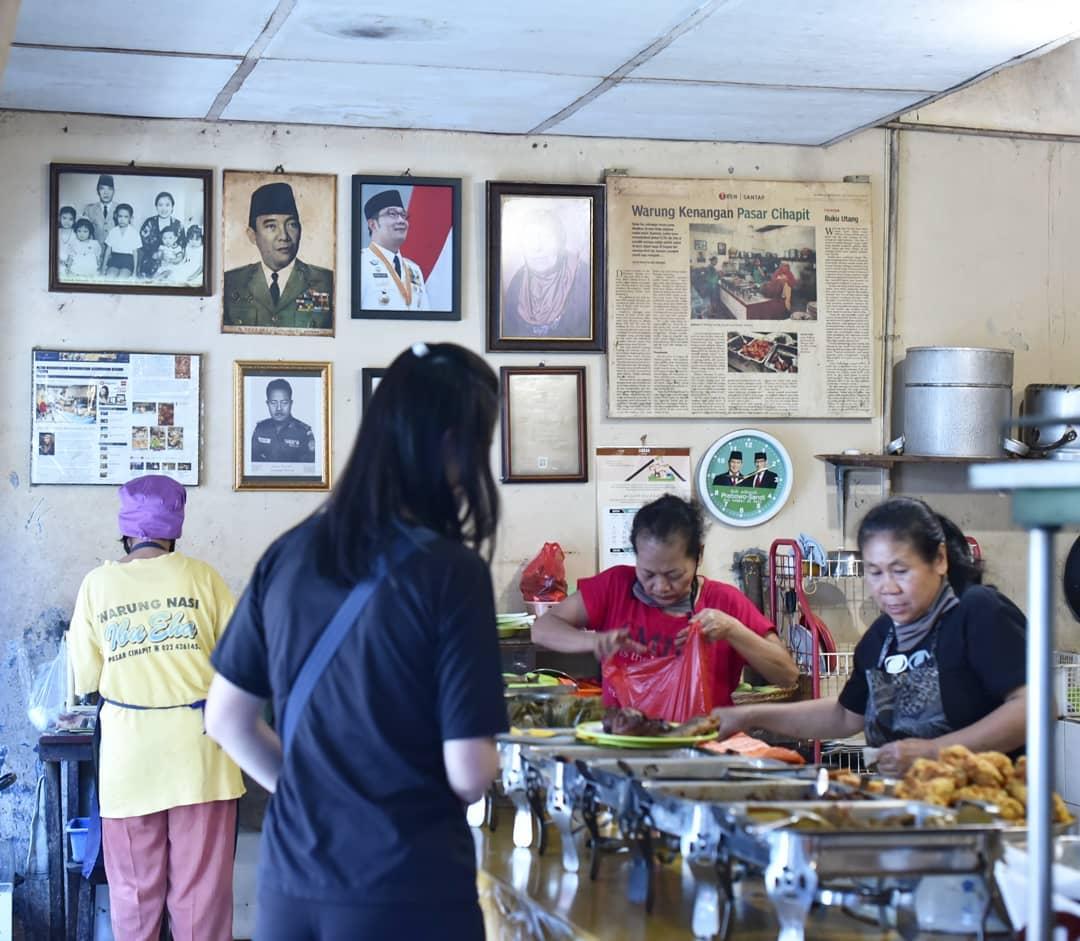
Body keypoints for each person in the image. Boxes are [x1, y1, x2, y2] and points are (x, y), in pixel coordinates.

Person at [205, 341, 506, 939]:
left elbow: (226, 719)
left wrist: (318, 792)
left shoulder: (287, 554)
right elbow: (469, 770)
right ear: (451, 442)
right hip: (406, 888)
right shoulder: (452, 571)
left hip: (290, 887)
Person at [711, 497, 1027, 774]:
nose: (887, 587)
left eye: (901, 570)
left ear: (940, 559)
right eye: (875, 572)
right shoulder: (883, 635)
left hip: (990, 807)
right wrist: (748, 716)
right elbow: (845, 716)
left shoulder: (977, 611)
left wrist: (936, 750)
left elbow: (1031, 707)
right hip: (914, 806)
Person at [67, 475, 244, 941]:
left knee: (135, 900)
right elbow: (245, 663)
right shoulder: (204, 578)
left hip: (130, 764)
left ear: (126, 528)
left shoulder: (97, 584)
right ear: (175, 527)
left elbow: (84, 680)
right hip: (202, 758)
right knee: (201, 903)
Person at [531, 495, 798, 709]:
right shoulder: (614, 587)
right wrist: (594, 642)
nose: (660, 587)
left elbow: (787, 675)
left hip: (704, 748)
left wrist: (732, 630)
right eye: (647, 573)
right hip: (626, 741)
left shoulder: (724, 602)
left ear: (698, 557)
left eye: (674, 574)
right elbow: (542, 629)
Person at [223, 181, 334, 329]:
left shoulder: (327, 282)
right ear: (252, 235)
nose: (284, 236)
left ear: (300, 230)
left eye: (291, 225)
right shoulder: (231, 283)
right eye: (271, 226)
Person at [501, 209, 591, 339]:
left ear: (561, 242)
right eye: (530, 239)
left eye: (547, 238)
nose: (537, 248)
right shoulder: (518, 283)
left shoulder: (585, 280)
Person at [358, 189, 429, 311]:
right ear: (372, 224)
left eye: (403, 215)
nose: (401, 220)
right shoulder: (359, 263)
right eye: (392, 214)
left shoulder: (414, 269)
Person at [250, 378, 316, 464]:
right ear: (267, 404)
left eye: (284, 402)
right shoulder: (260, 429)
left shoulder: (303, 432)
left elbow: (308, 470)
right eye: (273, 403)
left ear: (291, 403)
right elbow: (253, 465)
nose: (279, 408)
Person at [137, 191, 185, 279]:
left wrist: (173, 258)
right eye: (160, 205)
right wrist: (158, 254)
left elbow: (182, 246)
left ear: (172, 207)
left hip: (172, 262)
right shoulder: (149, 222)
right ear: (156, 207)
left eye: (167, 205)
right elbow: (142, 244)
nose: (164, 208)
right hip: (151, 260)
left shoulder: (178, 225)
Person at [102, 203, 141, 278]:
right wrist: (103, 268)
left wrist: (135, 272)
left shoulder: (134, 232)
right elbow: (108, 251)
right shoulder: (113, 231)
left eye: (126, 217)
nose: (122, 219)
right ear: (116, 216)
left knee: (122, 277)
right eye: (120, 216)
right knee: (110, 276)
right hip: (115, 259)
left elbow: (135, 253)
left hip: (128, 260)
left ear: (130, 218)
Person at [82, 173, 116, 243]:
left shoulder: (121, 209)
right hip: (93, 251)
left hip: (115, 251)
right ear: (97, 191)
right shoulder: (89, 209)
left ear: (113, 191)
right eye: (102, 189)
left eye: (109, 189)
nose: (106, 193)